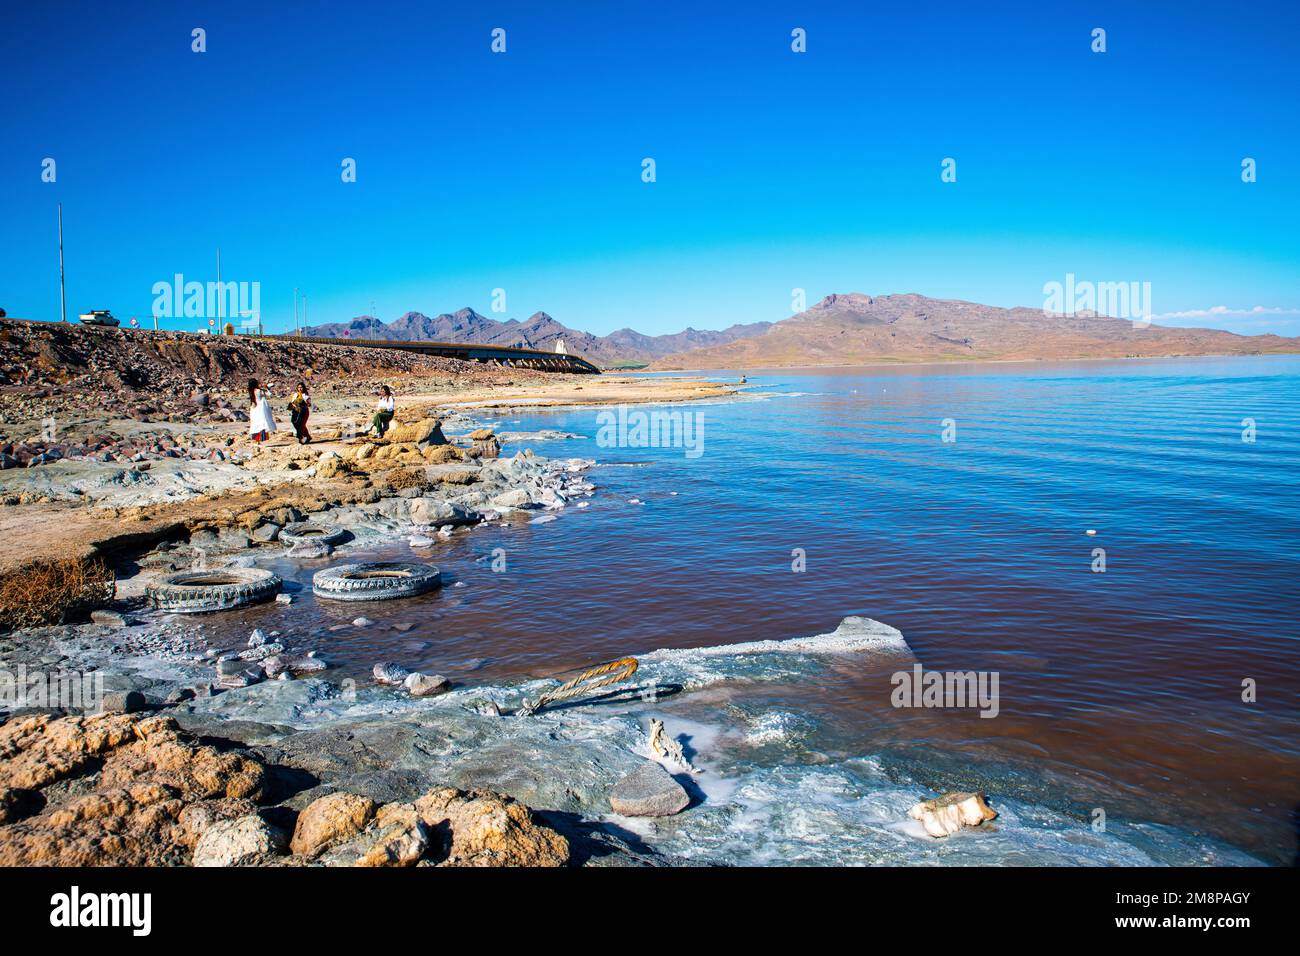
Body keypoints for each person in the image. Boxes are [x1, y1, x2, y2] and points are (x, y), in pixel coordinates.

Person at [248, 378, 276, 443]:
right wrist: (267, 388)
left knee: (256, 423)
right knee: (262, 423)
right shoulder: (258, 391)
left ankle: (256, 440)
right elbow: (269, 394)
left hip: (254, 408)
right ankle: (261, 438)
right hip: (260, 408)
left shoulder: (251, 391)